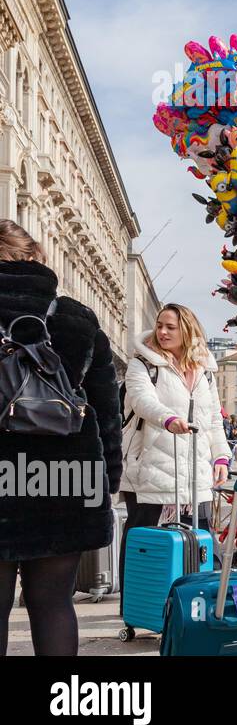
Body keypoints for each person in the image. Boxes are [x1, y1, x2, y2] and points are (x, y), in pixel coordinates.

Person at [0, 220, 122, 656]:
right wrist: (106, 480)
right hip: (67, 480)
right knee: (53, 603)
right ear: (36, 256)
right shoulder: (77, 318)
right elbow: (108, 410)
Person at [120, 304, 230, 597]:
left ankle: (202, 601)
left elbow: (213, 419)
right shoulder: (143, 364)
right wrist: (168, 419)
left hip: (195, 469)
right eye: (160, 326)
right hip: (151, 465)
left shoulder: (204, 371)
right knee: (143, 539)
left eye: (171, 327)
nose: (163, 332)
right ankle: (136, 601)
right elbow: (142, 400)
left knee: (206, 540)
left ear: (187, 330)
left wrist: (221, 456)